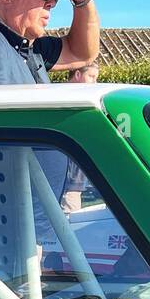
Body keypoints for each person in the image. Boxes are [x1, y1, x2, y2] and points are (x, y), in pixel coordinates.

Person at [61, 62, 100, 212]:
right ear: (77, 74)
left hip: (74, 179)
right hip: (67, 180)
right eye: (91, 77)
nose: (95, 82)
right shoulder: (65, 101)